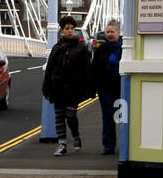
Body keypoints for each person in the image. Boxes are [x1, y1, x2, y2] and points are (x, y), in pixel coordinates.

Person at [42, 15, 93, 156]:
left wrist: (89, 88)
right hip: (57, 88)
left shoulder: (80, 48)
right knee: (59, 116)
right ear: (62, 30)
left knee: (70, 115)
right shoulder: (57, 48)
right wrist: (46, 86)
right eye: (67, 28)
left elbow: (87, 69)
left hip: (73, 89)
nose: (70, 31)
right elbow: (50, 68)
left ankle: (76, 136)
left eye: (72, 28)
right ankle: (62, 144)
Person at [91, 18, 122, 155]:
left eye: (112, 31)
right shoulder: (101, 49)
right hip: (105, 89)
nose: (109, 34)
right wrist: (94, 88)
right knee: (108, 117)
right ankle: (109, 146)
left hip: (122, 88)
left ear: (118, 32)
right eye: (107, 32)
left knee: (123, 117)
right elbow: (94, 69)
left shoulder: (125, 47)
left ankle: (127, 146)